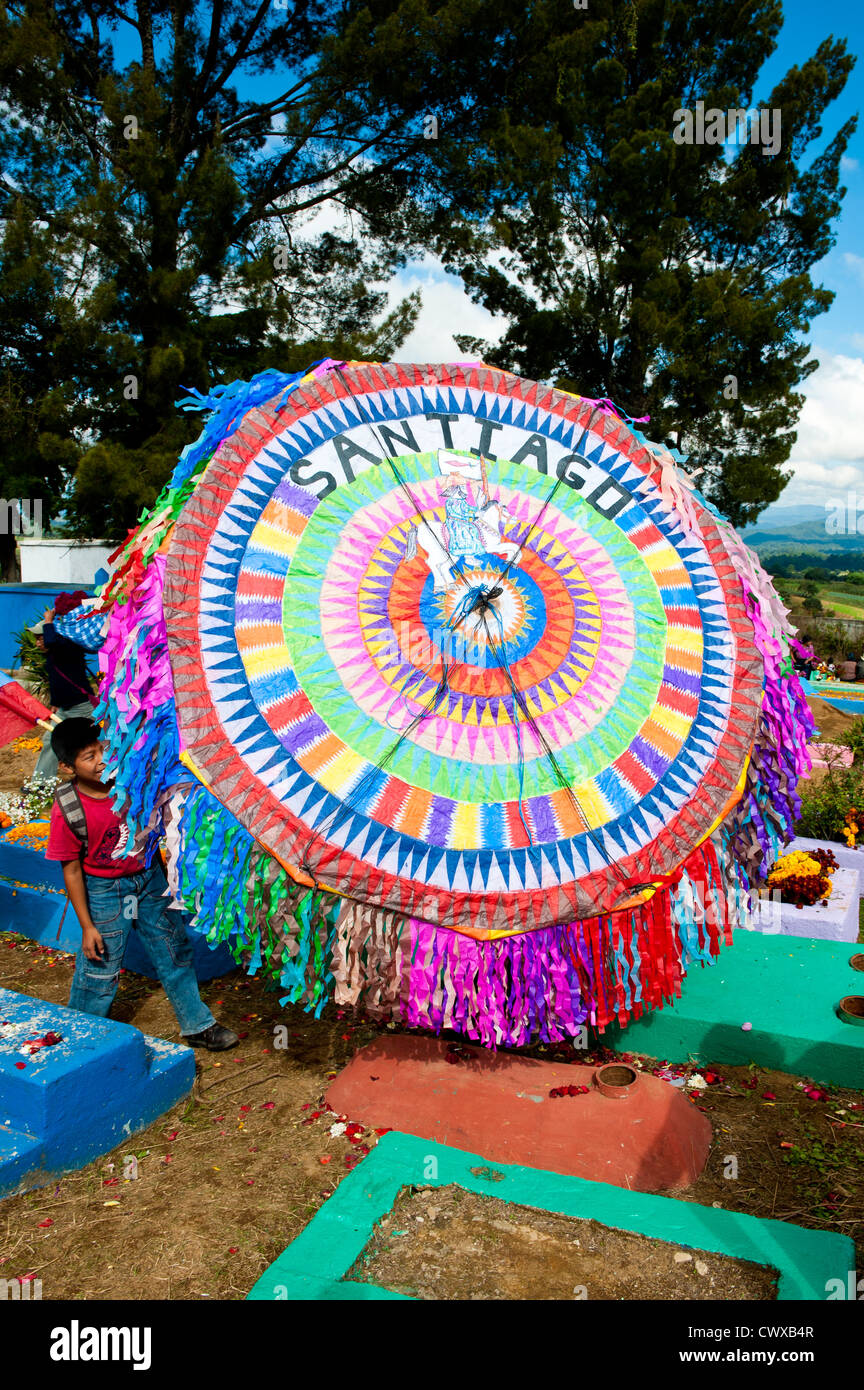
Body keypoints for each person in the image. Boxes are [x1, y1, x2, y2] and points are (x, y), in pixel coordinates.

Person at [45, 717, 238, 1051]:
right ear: (66, 767)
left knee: (173, 951)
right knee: (100, 964)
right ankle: (78, 1035)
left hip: (150, 881)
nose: (101, 760)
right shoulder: (68, 807)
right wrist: (87, 926)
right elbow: (72, 870)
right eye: (88, 757)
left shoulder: (134, 782)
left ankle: (197, 1025)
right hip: (105, 891)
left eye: (102, 749)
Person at [34, 593, 97, 781]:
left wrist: (48, 621)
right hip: (64, 709)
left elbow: (52, 639)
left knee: (97, 740)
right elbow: (57, 682)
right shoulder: (54, 654)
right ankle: (41, 784)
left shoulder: (68, 643)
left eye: (40, 638)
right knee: (48, 741)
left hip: (82, 707)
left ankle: (112, 776)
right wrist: (55, 703)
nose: (38, 643)